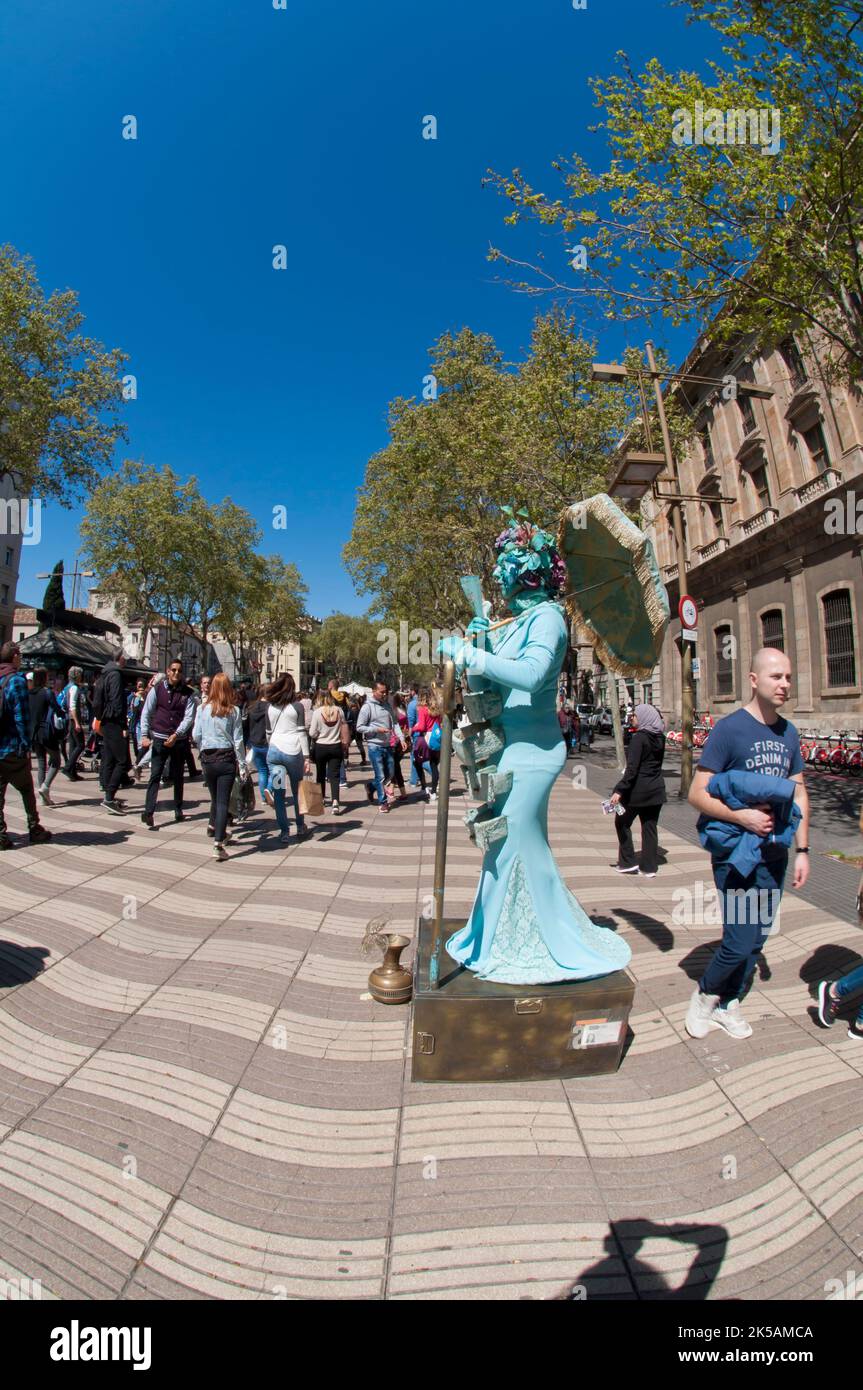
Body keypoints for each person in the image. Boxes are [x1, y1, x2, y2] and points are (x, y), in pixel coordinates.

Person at [435, 509, 631, 983]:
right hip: (506, 747)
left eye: (505, 564)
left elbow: (532, 675)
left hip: (535, 752)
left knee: (514, 842)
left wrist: (473, 653)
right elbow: (492, 687)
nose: (498, 573)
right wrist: (476, 648)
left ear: (524, 570)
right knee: (506, 843)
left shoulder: (549, 620)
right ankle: (497, 933)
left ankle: (533, 939)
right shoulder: (512, 622)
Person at [685, 647, 809, 1041]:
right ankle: (705, 994)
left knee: (758, 937)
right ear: (754, 680)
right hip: (737, 857)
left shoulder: (788, 733)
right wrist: (742, 817)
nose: (785, 684)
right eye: (776, 677)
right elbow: (697, 794)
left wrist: (803, 850)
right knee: (739, 941)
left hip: (775, 855)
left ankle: (729, 1001)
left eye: (788, 677)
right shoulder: (730, 730)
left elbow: (799, 793)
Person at [0, 643, 52, 848]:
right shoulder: (16, 681)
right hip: (12, 747)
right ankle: (34, 828)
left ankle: (1, 835)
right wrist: (25, 744)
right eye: (19, 655)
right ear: (14, 657)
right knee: (26, 789)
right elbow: (21, 717)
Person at [193, 673, 247, 861]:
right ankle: (218, 842)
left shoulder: (202, 709)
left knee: (216, 799)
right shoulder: (234, 711)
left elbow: (196, 734)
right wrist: (242, 764)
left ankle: (219, 832)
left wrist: (202, 750)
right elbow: (238, 740)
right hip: (226, 758)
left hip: (208, 759)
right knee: (223, 801)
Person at [609, 703, 667, 878]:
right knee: (649, 827)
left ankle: (627, 862)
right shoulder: (660, 738)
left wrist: (619, 790)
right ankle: (649, 867)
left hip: (637, 791)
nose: (632, 717)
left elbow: (632, 769)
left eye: (635, 715)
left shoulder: (639, 738)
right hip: (656, 790)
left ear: (644, 717)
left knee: (622, 822)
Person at [139, 660, 197, 827]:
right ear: (168, 671)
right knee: (155, 775)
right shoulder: (157, 690)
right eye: (173, 670)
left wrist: (177, 734)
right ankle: (149, 811)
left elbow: (188, 717)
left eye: (179, 670)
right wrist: (144, 734)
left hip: (178, 741)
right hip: (159, 738)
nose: (176, 673)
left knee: (178, 775)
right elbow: (147, 712)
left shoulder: (188, 694)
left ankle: (178, 808)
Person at [265, 672, 311, 845]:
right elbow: (301, 733)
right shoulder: (297, 707)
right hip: (293, 753)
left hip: (274, 753)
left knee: (278, 794)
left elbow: (268, 734)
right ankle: (300, 826)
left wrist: (274, 744)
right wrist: (306, 756)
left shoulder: (270, 707)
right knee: (297, 790)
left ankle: (284, 832)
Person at [94, 650, 130, 814]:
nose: (126, 661)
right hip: (114, 721)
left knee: (109, 758)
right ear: (120, 658)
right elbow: (117, 701)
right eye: (125, 659)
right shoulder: (115, 674)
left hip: (106, 720)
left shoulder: (104, 673)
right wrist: (123, 724)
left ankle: (109, 797)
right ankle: (109, 797)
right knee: (122, 761)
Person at [358, 679, 398, 813]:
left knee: (390, 773)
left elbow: (395, 723)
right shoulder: (367, 707)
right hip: (374, 746)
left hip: (388, 745)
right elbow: (359, 727)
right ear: (374, 691)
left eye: (386, 692)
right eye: (382, 692)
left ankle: (371, 787)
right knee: (380, 775)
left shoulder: (387, 706)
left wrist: (402, 738)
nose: (384, 694)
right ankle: (383, 802)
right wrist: (376, 730)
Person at [308, 691, 350, 814]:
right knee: (335, 776)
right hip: (336, 746)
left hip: (321, 746)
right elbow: (344, 726)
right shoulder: (339, 710)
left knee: (320, 774)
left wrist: (320, 733)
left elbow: (312, 733)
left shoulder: (317, 712)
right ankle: (335, 802)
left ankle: (321, 799)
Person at [29, 667, 65, 806]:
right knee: (56, 760)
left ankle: (43, 796)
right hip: (46, 732)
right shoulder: (47, 693)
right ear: (43, 678)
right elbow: (57, 710)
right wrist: (63, 714)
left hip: (34, 733)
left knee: (41, 762)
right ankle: (45, 787)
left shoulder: (29, 693)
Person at [411, 687, 442, 802]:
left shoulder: (423, 709)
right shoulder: (437, 709)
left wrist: (413, 728)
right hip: (436, 739)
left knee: (416, 762)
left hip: (425, 739)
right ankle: (434, 792)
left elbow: (422, 726)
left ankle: (424, 787)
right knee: (434, 765)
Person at [60, 665, 89, 780]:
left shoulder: (67, 686)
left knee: (73, 745)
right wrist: (77, 722)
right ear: (77, 676)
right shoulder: (74, 688)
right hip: (73, 719)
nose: (81, 677)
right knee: (81, 744)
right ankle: (68, 768)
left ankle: (72, 772)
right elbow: (72, 706)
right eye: (80, 675)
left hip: (69, 719)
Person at [245, 685, 270, 807]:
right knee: (275, 770)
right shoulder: (271, 708)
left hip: (255, 743)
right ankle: (272, 792)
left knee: (262, 771)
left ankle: (264, 798)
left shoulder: (252, 707)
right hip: (269, 743)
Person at [406, 683, 420, 785]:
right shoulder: (425, 702)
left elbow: (411, 721)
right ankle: (416, 778)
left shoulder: (412, 704)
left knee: (414, 757)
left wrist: (408, 735)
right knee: (420, 757)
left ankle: (414, 780)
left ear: (413, 691)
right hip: (426, 734)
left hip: (416, 733)